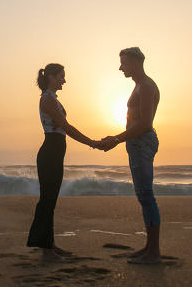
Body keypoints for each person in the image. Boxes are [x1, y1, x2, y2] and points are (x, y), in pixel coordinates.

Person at [27, 63, 100, 262]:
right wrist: (92, 143)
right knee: (47, 200)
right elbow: (66, 127)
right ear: (51, 77)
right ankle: (46, 250)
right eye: (61, 76)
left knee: (50, 200)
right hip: (50, 150)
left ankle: (49, 245)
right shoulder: (47, 99)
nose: (64, 80)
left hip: (55, 151)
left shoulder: (52, 99)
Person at [99, 47, 162, 264]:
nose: (120, 67)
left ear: (135, 62)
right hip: (137, 143)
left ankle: (154, 252)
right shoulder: (139, 85)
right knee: (143, 195)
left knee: (146, 195)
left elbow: (145, 124)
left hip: (142, 142)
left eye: (123, 63)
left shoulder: (145, 86)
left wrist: (116, 139)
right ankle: (149, 248)